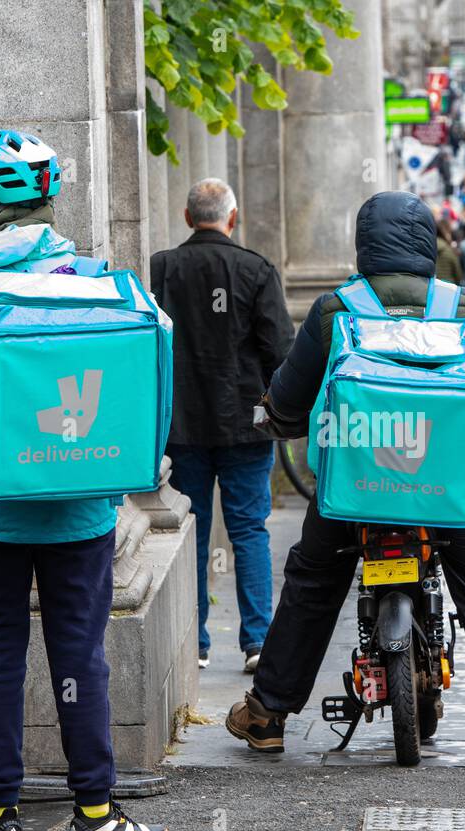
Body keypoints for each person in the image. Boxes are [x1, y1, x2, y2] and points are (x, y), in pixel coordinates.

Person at [225, 190, 465, 758]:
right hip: (447, 495)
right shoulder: (464, 308)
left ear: (363, 244)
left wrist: (278, 417)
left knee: (311, 585)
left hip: (354, 495)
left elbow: (288, 401)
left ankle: (266, 715)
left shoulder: (337, 309)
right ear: (429, 243)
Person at [0, 130, 166, 831]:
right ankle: (95, 813)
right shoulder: (97, 280)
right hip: (80, 507)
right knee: (80, 656)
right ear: (49, 198)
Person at [149, 178, 294, 673]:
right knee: (250, 530)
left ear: (189, 218)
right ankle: (257, 642)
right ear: (233, 218)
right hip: (246, 425)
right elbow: (280, 352)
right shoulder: (256, 270)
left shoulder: (162, 269)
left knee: (194, 529)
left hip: (184, 426)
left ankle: (198, 642)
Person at [435, 216, 463, 283]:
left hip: (430, 287)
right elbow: (458, 275)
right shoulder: (449, 249)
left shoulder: (428, 246)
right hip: (448, 287)